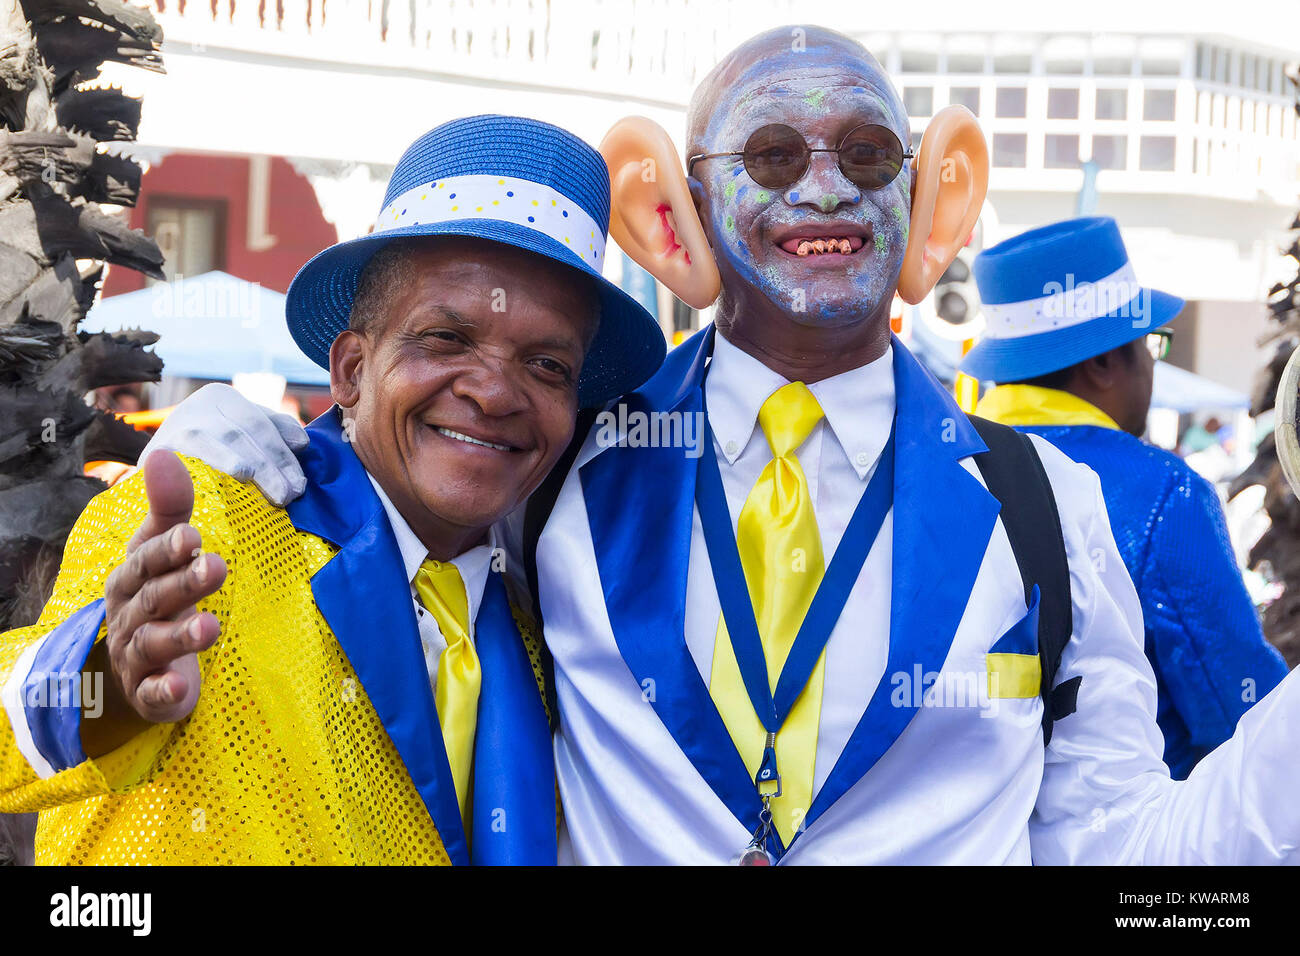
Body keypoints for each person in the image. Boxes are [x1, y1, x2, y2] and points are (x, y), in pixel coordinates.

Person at [145, 28, 1300, 864]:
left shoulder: (1048, 507)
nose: (826, 192)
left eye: (864, 154)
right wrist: (255, 458)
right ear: (674, 209)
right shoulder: (550, 466)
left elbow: (1120, 851)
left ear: (930, 197)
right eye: (772, 158)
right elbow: (394, 497)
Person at [0, 115, 664, 864]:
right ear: (350, 369)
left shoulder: (538, 616)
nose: (493, 392)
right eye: (445, 338)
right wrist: (104, 681)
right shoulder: (207, 514)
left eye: (546, 365)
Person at [964, 217, 1289, 780]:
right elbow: (1244, 712)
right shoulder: (1165, 490)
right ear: (1103, 361)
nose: (1152, 366)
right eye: (1150, 344)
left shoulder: (942, 463)